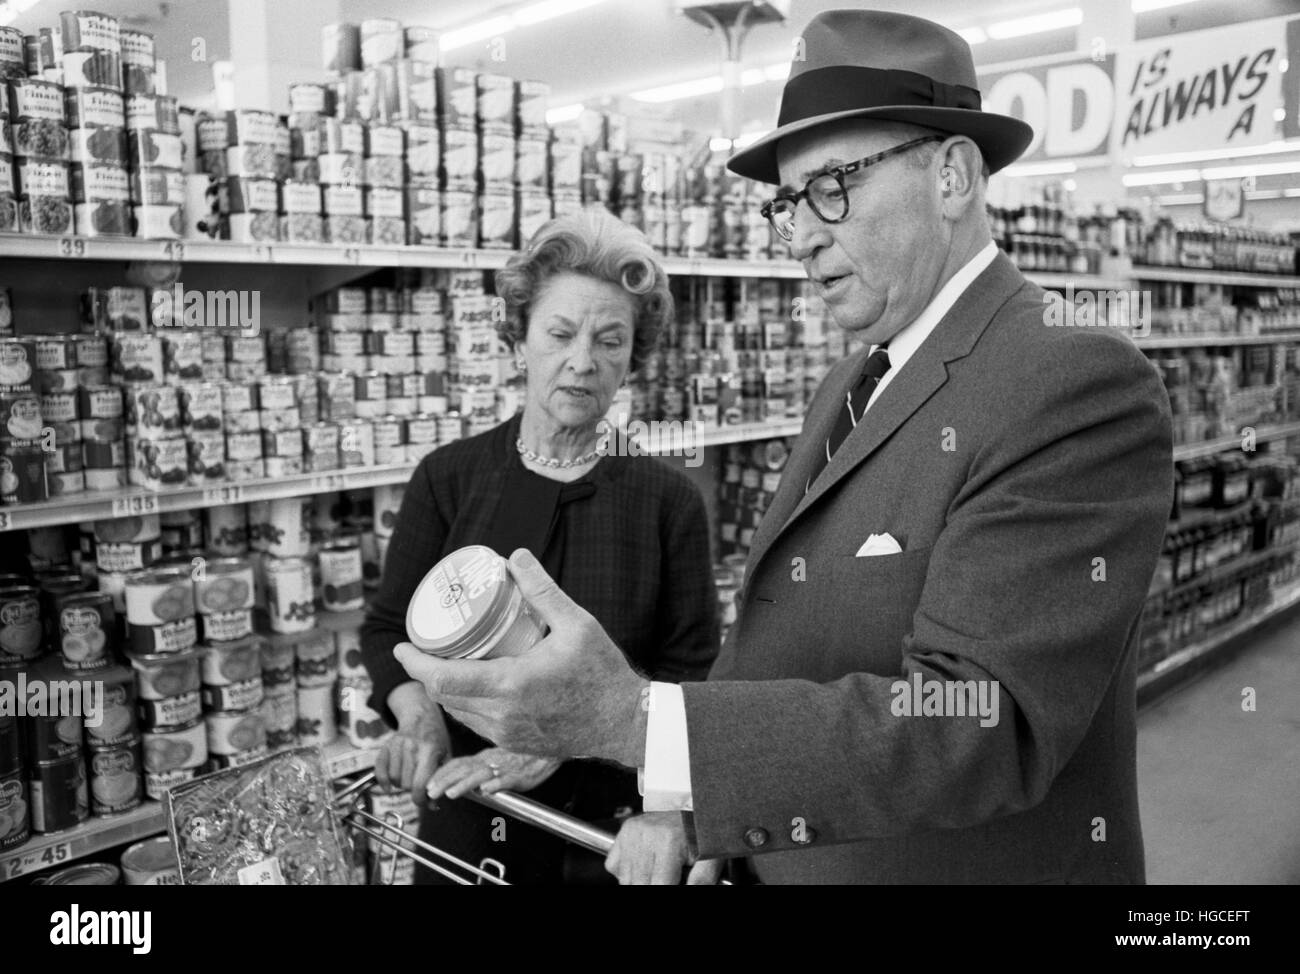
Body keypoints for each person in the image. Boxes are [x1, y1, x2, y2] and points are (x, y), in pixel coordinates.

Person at [394, 10, 1175, 885]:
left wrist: (633, 721)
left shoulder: (1070, 380)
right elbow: (772, 641)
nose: (801, 233)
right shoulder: (849, 383)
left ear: (952, 175)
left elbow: (980, 721)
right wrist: (682, 798)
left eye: (833, 184)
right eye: (787, 201)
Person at [360, 209, 719, 884]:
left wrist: (565, 736)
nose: (583, 361)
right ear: (519, 341)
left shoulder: (668, 501)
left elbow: (691, 677)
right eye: (559, 333)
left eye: (611, 342)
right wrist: (418, 716)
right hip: (466, 809)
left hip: (603, 835)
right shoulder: (449, 476)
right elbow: (385, 630)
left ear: (632, 361)